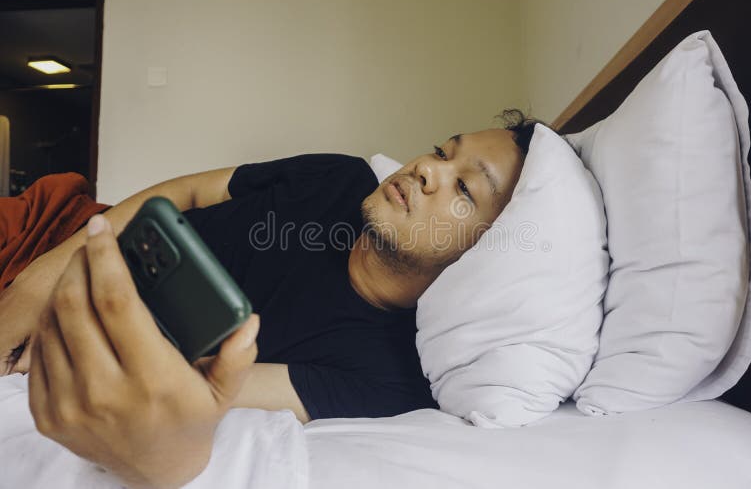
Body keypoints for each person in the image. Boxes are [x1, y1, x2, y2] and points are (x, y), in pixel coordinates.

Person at [1, 109, 538, 487]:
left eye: (464, 188)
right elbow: (185, 194)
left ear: (485, 253)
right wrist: (40, 279)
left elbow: (198, 385)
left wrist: (73, 329)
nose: (427, 168)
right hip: (65, 230)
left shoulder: (387, 377)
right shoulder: (339, 176)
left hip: (92, 302)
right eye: (443, 151)